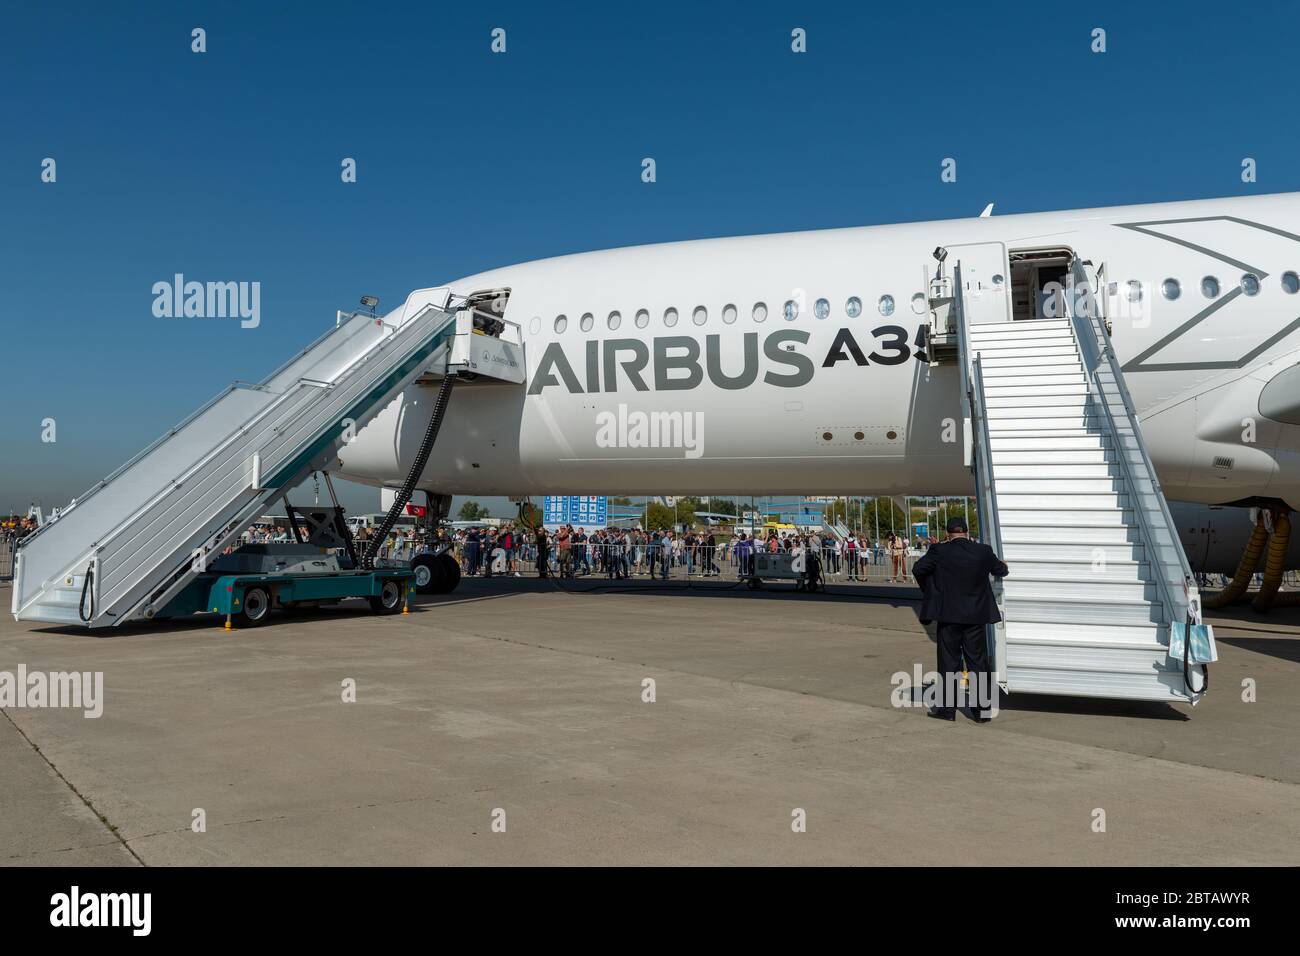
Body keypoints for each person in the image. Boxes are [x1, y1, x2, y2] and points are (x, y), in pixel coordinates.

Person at [912, 517, 1009, 722]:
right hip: (976, 615)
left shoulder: (939, 551)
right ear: (966, 532)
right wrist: (1003, 565)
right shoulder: (983, 551)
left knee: (949, 662)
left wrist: (932, 589)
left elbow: (918, 570)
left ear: (948, 534)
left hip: (948, 615)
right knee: (977, 662)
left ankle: (947, 711)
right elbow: (1001, 570)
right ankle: (981, 712)